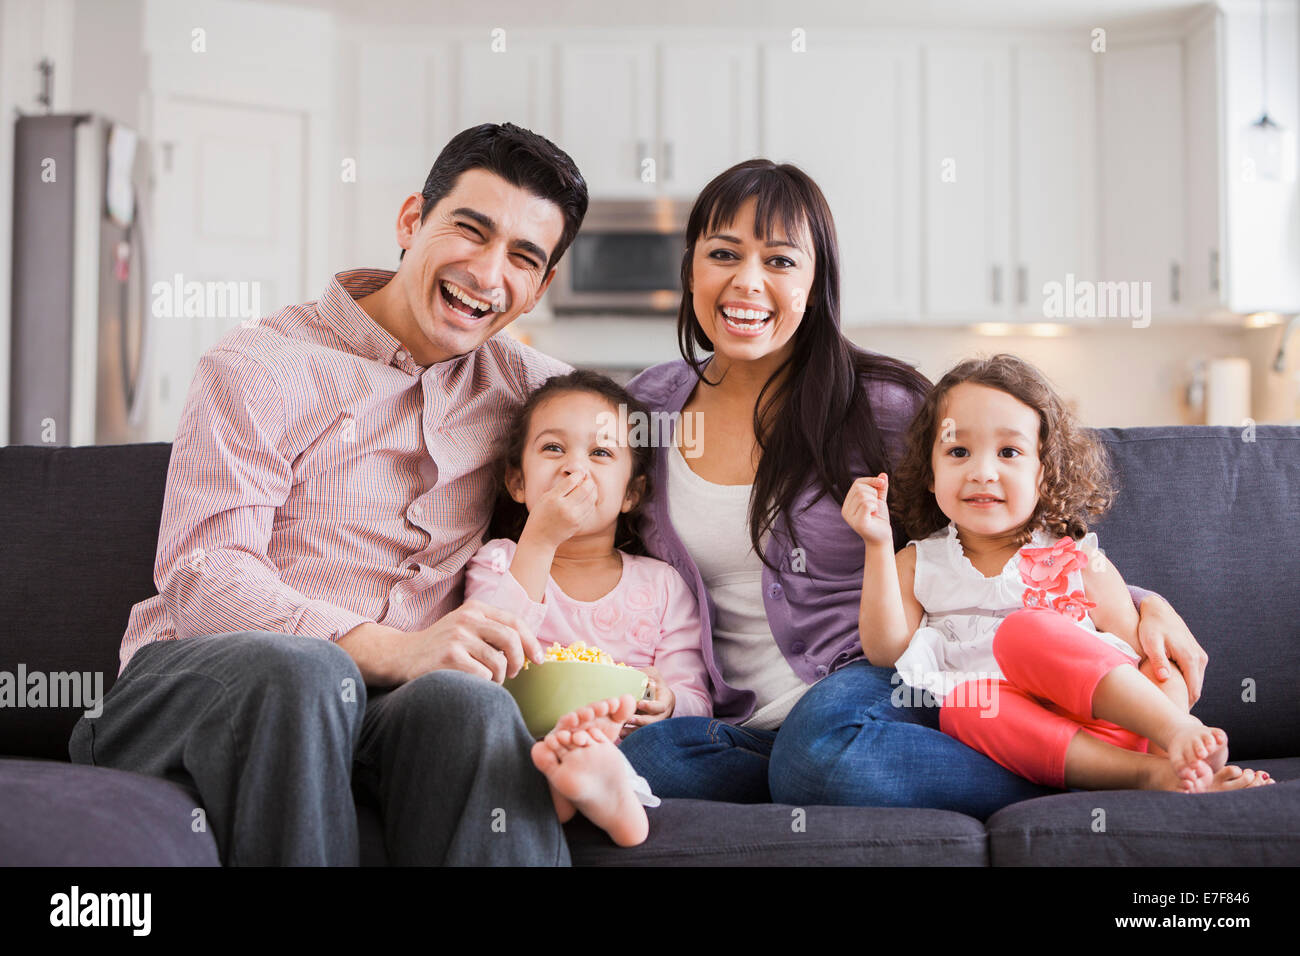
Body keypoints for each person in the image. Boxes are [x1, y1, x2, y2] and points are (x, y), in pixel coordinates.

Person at [619, 158, 1213, 819]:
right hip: (737, 719)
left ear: (815, 285)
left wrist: (1140, 601)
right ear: (692, 269)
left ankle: (1091, 769)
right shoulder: (648, 408)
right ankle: (826, 772)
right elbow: (597, 542)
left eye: (781, 261)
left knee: (821, 757)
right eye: (723, 253)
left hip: (875, 683)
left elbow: (1006, 508)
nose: (747, 281)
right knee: (646, 759)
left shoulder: (882, 402)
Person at [69, 122, 593, 865]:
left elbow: (642, 436)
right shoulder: (260, 363)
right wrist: (400, 650)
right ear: (413, 221)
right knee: (307, 669)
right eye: (470, 232)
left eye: (522, 259)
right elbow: (204, 579)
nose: (486, 273)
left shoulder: (525, 390)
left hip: (384, 716)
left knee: (470, 704)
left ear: (539, 287)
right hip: (201, 685)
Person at [841, 353, 1273, 794]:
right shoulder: (918, 563)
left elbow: (1156, 663)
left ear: (1044, 473)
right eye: (958, 451)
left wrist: (1177, 730)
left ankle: (1172, 756)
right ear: (931, 473)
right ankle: (1152, 776)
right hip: (1060, 751)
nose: (982, 472)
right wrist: (876, 543)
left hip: (1125, 722)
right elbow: (887, 652)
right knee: (964, 707)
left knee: (1022, 633)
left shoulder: (1077, 560)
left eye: (1009, 452)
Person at [463, 369, 711, 845]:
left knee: (658, 748)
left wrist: (668, 702)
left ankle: (602, 788)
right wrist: (540, 540)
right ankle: (568, 786)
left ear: (631, 494)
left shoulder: (662, 585)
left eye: (600, 453)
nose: (575, 468)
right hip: (523, 736)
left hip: (624, 742)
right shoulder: (500, 561)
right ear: (517, 480)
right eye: (554, 449)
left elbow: (695, 697)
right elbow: (485, 653)